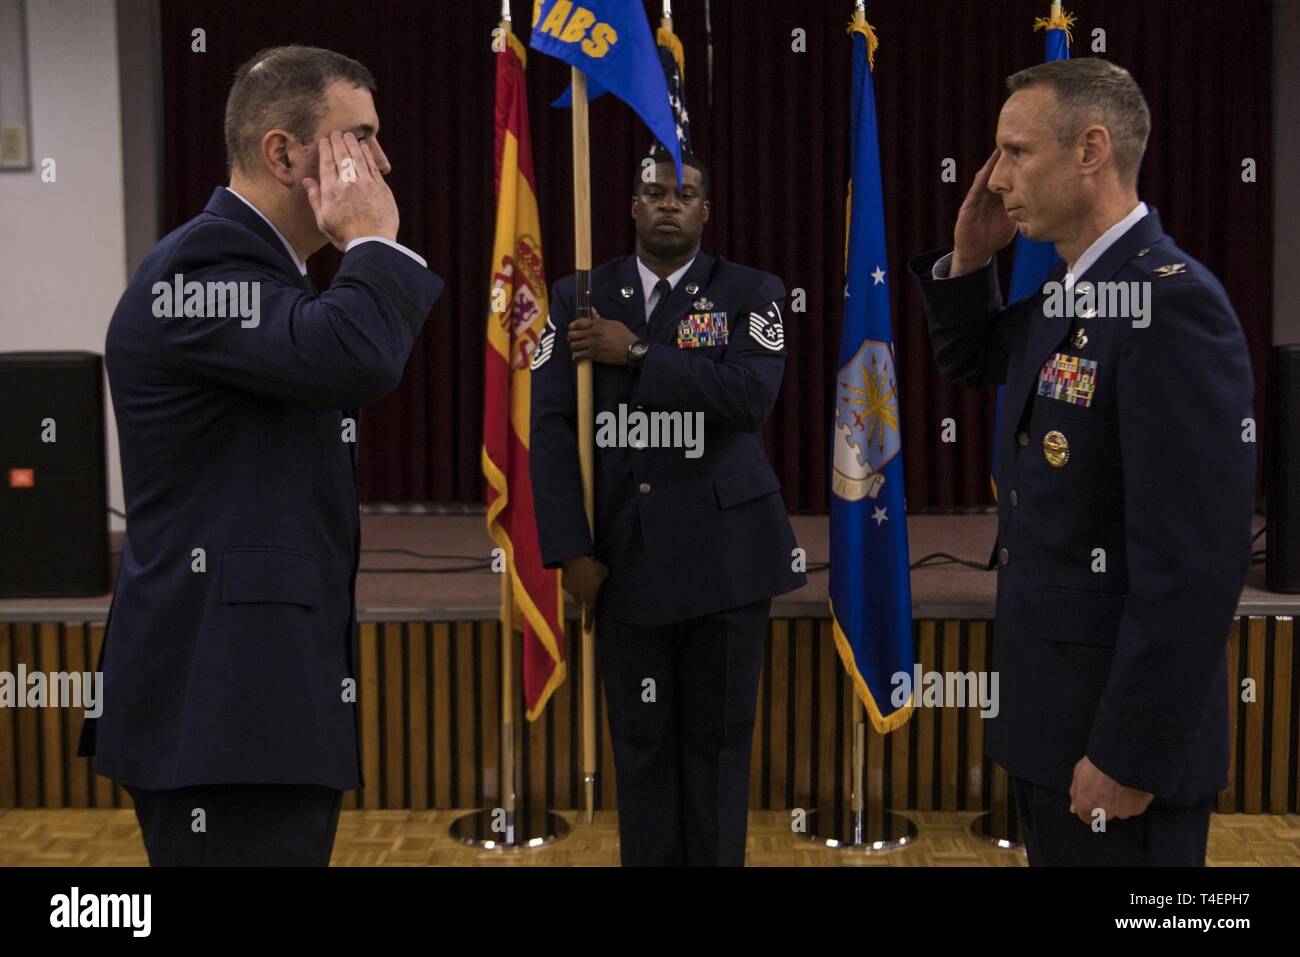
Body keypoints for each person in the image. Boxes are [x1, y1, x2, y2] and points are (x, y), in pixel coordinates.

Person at [77, 45, 444, 865]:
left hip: (255, 698)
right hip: (220, 702)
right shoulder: (204, 264)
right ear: (283, 153)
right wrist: (376, 244)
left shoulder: (264, 273)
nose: (381, 163)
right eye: (359, 138)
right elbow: (354, 354)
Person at [910, 58, 1255, 866]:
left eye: (1017, 152)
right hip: (1055, 719)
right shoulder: (1078, 289)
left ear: (1091, 149)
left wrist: (1130, 753)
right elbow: (972, 357)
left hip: (1120, 743)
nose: (996, 180)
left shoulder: (1170, 303)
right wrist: (967, 258)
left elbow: (1194, 566)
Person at [529, 147, 805, 866]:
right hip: (625, 560)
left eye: (683, 194)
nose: (668, 203)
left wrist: (641, 353)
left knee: (717, 748)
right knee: (642, 746)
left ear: (706, 210)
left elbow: (750, 398)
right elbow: (551, 427)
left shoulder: (752, 291)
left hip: (727, 559)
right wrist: (570, 548)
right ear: (630, 207)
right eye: (653, 191)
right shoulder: (576, 297)